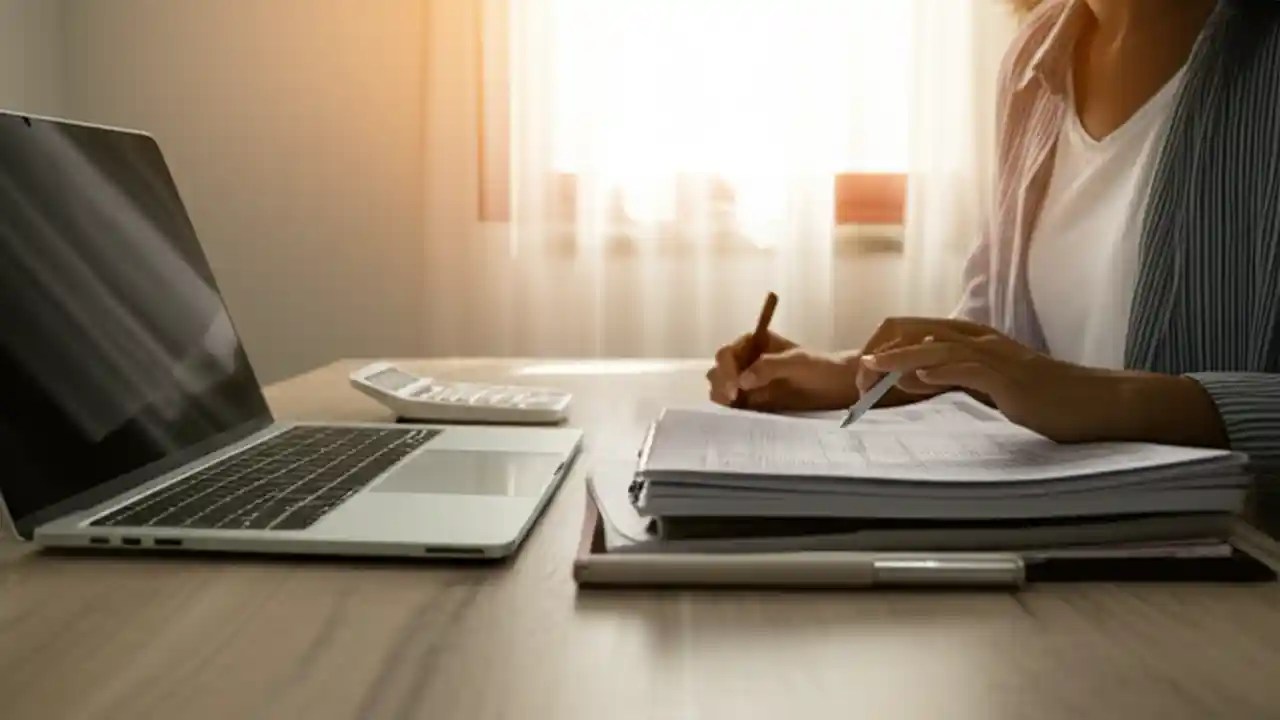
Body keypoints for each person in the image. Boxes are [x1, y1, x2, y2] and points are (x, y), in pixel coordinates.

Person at [707, 0, 1280, 477]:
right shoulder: (1036, 57)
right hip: (1071, 535)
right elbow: (1003, 346)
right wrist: (847, 374)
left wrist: (1104, 398)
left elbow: (1038, 381)